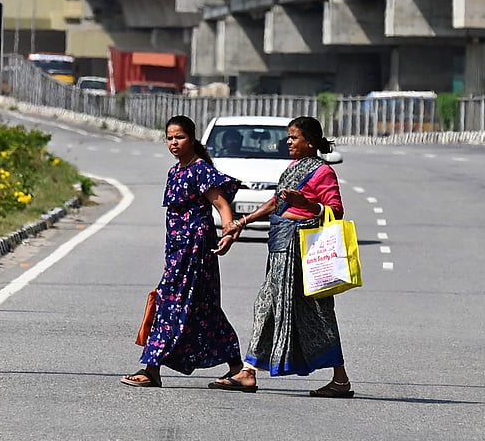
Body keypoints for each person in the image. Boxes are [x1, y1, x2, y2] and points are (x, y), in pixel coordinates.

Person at [207, 115, 354, 398]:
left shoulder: (322, 172)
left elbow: (336, 209)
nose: (288, 142)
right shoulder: (293, 168)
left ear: (310, 142)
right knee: (267, 305)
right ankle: (248, 371)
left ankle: (340, 379)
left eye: (294, 138)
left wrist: (308, 203)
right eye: (288, 137)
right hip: (280, 248)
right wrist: (244, 220)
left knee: (317, 313)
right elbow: (277, 201)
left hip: (302, 253)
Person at [121, 115, 245, 388]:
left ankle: (151, 368)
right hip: (177, 249)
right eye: (170, 138)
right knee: (205, 310)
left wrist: (228, 231)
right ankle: (239, 368)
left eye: (180, 137)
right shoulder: (175, 171)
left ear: (192, 138)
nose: (174, 143)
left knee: (169, 302)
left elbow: (221, 204)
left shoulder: (200, 170)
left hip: (195, 247)